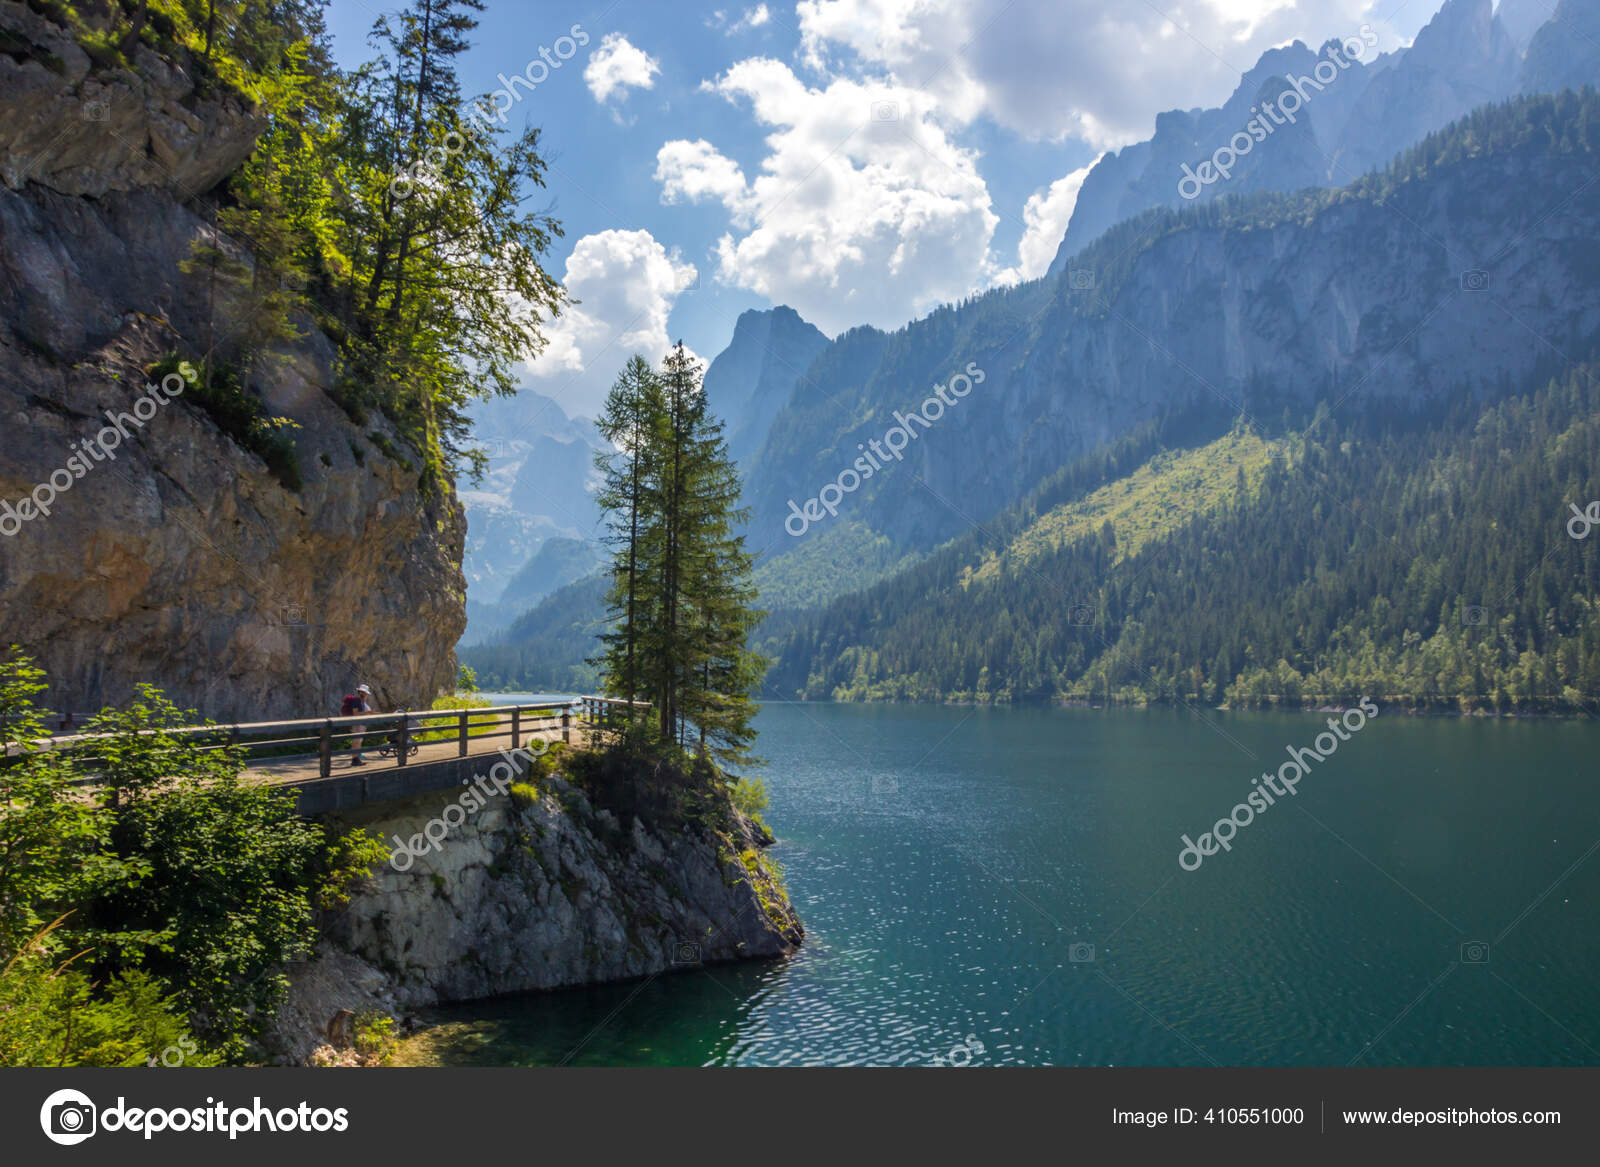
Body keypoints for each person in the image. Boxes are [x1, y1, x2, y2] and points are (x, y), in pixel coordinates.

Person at [341, 684, 374, 766]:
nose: (364, 695)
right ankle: (355, 759)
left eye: (365, 693)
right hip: (357, 724)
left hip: (360, 724)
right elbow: (356, 713)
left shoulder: (360, 702)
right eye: (364, 693)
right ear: (360, 693)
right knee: (356, 741)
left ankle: (356, 759)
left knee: (358, 741)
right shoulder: (357, 700)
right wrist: (368, 712)